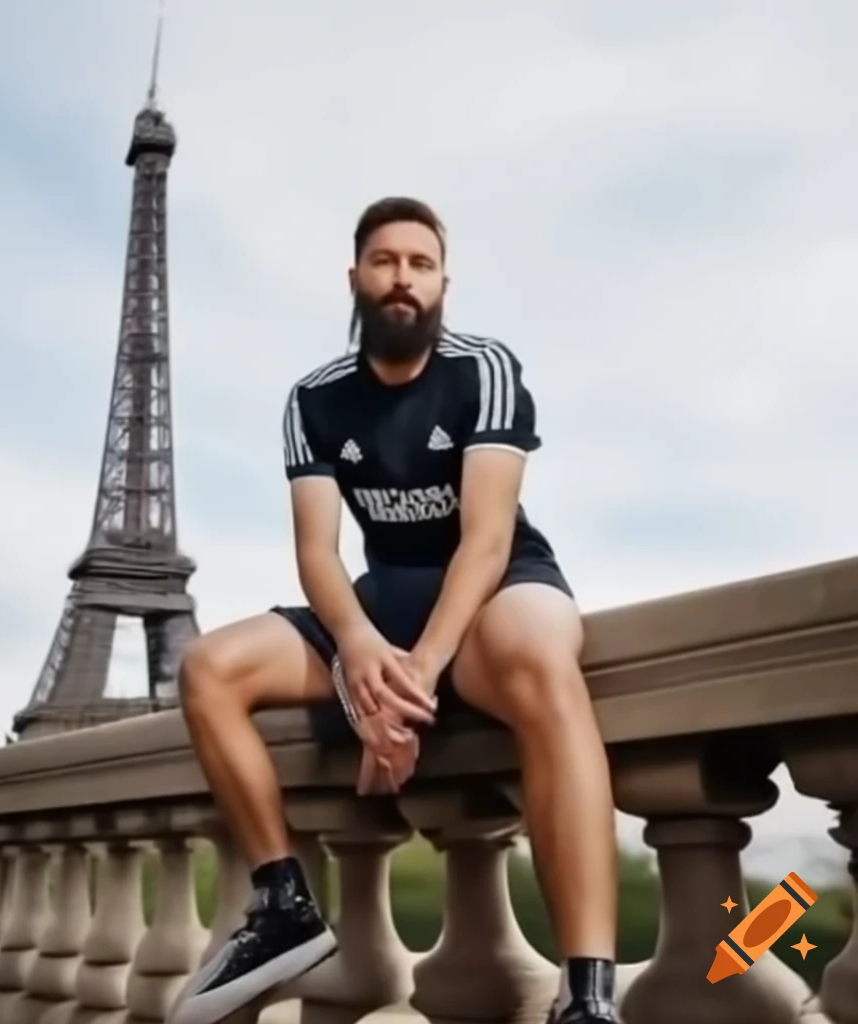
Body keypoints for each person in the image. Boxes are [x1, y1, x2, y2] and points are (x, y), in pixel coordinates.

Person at [167, 197, 621, 1024]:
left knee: (542, 658)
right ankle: (283, 907)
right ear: (356, 278)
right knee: (207, 669)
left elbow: (486, 539)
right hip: (381, 605)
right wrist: (357, 649)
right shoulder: (313, 398)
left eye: (421, 264)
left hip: (494, 588)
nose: (403, 278)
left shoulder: (483, 368)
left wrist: (409, 685)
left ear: (444, 283)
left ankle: (586, 992)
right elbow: (318, 554)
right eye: (385, 262)